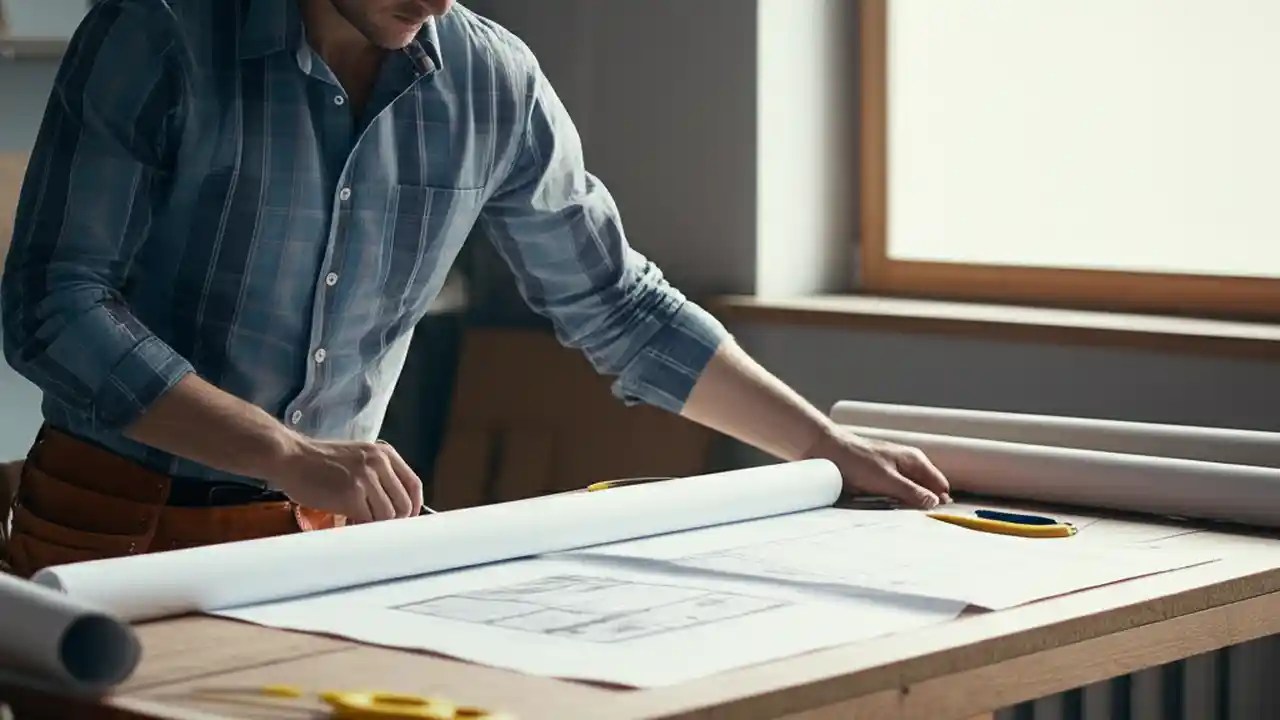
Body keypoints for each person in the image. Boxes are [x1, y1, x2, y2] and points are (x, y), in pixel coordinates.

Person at [0, 0, 949, 577]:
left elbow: (618, 302)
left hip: (333, 533)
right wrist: (286, 451)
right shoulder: (156, 36)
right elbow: (53, 308)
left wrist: (824, 446)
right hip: (114, 526)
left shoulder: (494, 82)